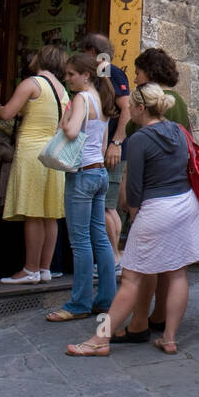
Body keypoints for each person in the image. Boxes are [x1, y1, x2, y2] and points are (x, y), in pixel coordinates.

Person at [67, 84, 199, 356]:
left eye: (132, 105)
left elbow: (134, 189)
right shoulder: (178, 131)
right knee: (178, 273)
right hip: (185, 205)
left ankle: (100, 339)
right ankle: (169, 338)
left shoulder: (139, 139)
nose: (129, 109)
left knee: (132, 278)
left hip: (156, 208)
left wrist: (132, 214)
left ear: (141, 108)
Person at [112, 47, 191, 343]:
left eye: (138, 72)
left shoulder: (145, 119)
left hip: (152, 195)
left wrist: (130, 202)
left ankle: (135, 323)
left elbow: (136, 166)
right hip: (179, 195)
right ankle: (165, 327)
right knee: (173, 267)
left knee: (140, 269)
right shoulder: (179, 104)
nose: (135, 77)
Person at [46, 52, 120, 321]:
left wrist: (65, 120)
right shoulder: (102, 100)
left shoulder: (81, 98)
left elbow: (72, 132)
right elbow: (101, 145)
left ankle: (79, 304)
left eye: (71, 74)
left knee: (80, 243)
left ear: (86, 75)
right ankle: (106, 300)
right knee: (100, 238)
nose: (67, 79)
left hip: (82, 176)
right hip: (99, 172)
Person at [0, 44, 69, 284]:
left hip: (31, 151)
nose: (31, 56)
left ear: (42, 58)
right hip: (52, 153)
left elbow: (7, 113)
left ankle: (29, 269)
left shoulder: (31, 84)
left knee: (34, 213)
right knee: (50, 214)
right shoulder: (63, 90)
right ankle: (45, 269)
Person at [79, 34, 131, 278]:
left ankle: (114, 257)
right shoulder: (102, 73)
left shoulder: (110, 72)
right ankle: (113, 256)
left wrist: (115, 143)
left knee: (106, 207)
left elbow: (126, 109)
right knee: (107, 206)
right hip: (104, 149)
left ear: (92, 51)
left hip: (111, 149)